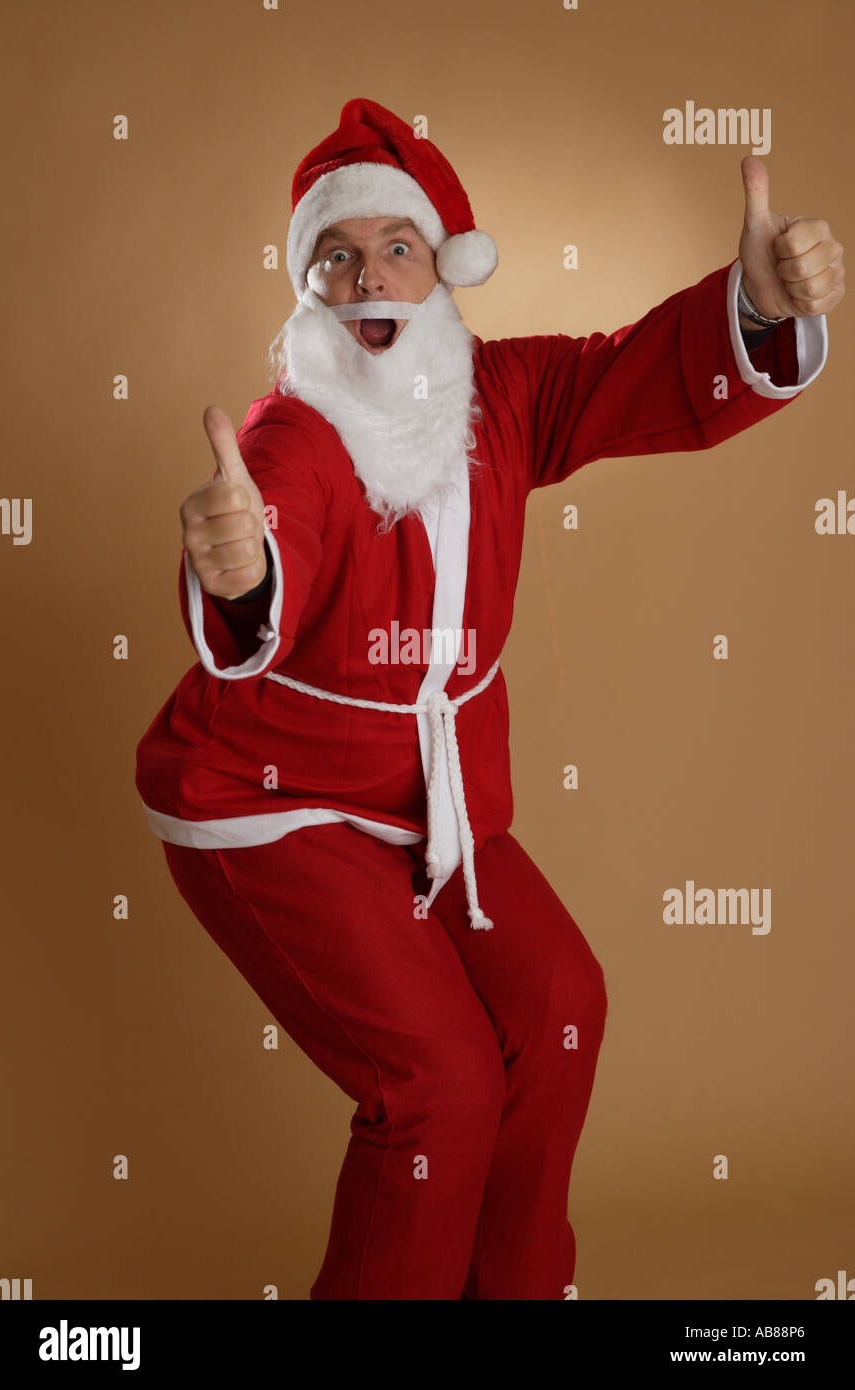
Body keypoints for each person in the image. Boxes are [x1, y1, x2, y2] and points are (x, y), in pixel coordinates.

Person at [134, 97, 843, 1299]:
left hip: (430, 803)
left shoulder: (502, 398)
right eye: (336, 254)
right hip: (271, 797)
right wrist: (244, 570)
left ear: (442, 274)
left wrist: (756, 311)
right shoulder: (292, 435)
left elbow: (632, 372)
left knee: (560, 1003)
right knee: (439, 1083)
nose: (367, 276)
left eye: (396, 248)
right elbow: (270, 521)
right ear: (307, 286)